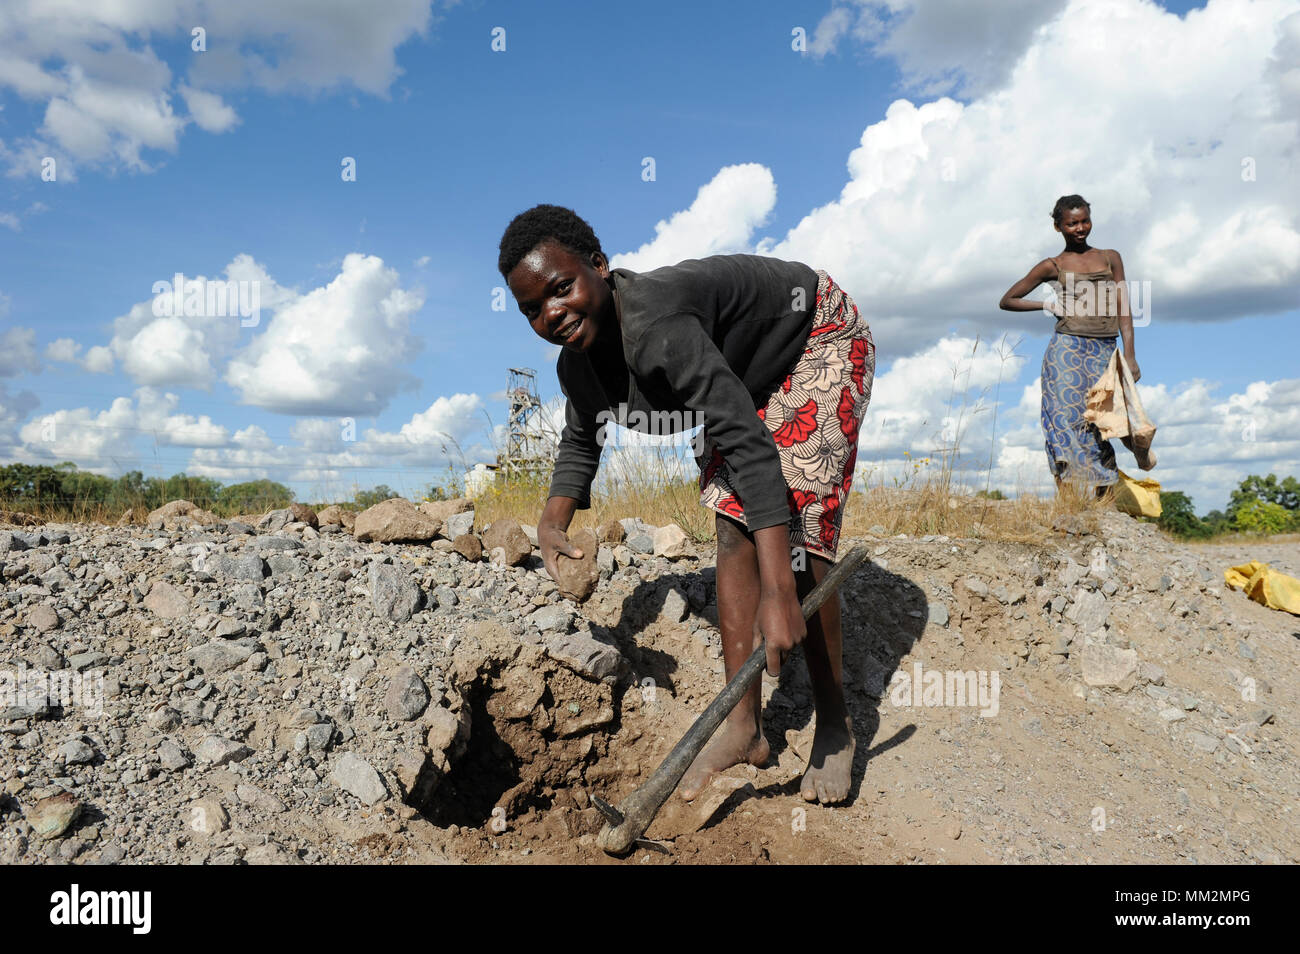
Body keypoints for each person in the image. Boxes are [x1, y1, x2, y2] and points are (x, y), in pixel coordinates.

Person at [498, 204, 876, 805]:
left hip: (814, 335)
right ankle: (744, 727)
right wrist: (552, 520)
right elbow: (580, 437)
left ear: (600, 266)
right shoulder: (579, 365)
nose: (551, 314)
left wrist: (780, 593)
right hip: (746, 370)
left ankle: (834, 725)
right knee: (733, 524)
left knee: (796, 525)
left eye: (561, 289)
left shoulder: (657, 325)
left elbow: (752, 451)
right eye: (531, 309)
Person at [998, 194, 1142, 495]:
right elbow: (1007, 300)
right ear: (1058, 227)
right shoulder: (1053, 265)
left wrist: (1130, 354)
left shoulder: (1110, 257)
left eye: (1084, 221)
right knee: (1063, 419)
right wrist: (1048, 305)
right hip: (1067, 349)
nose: (1080, 228)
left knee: (1101, 420)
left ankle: (1105, 499)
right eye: (1071, 223)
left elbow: (1123, 307)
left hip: (1104, 350)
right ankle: (1068, 499)